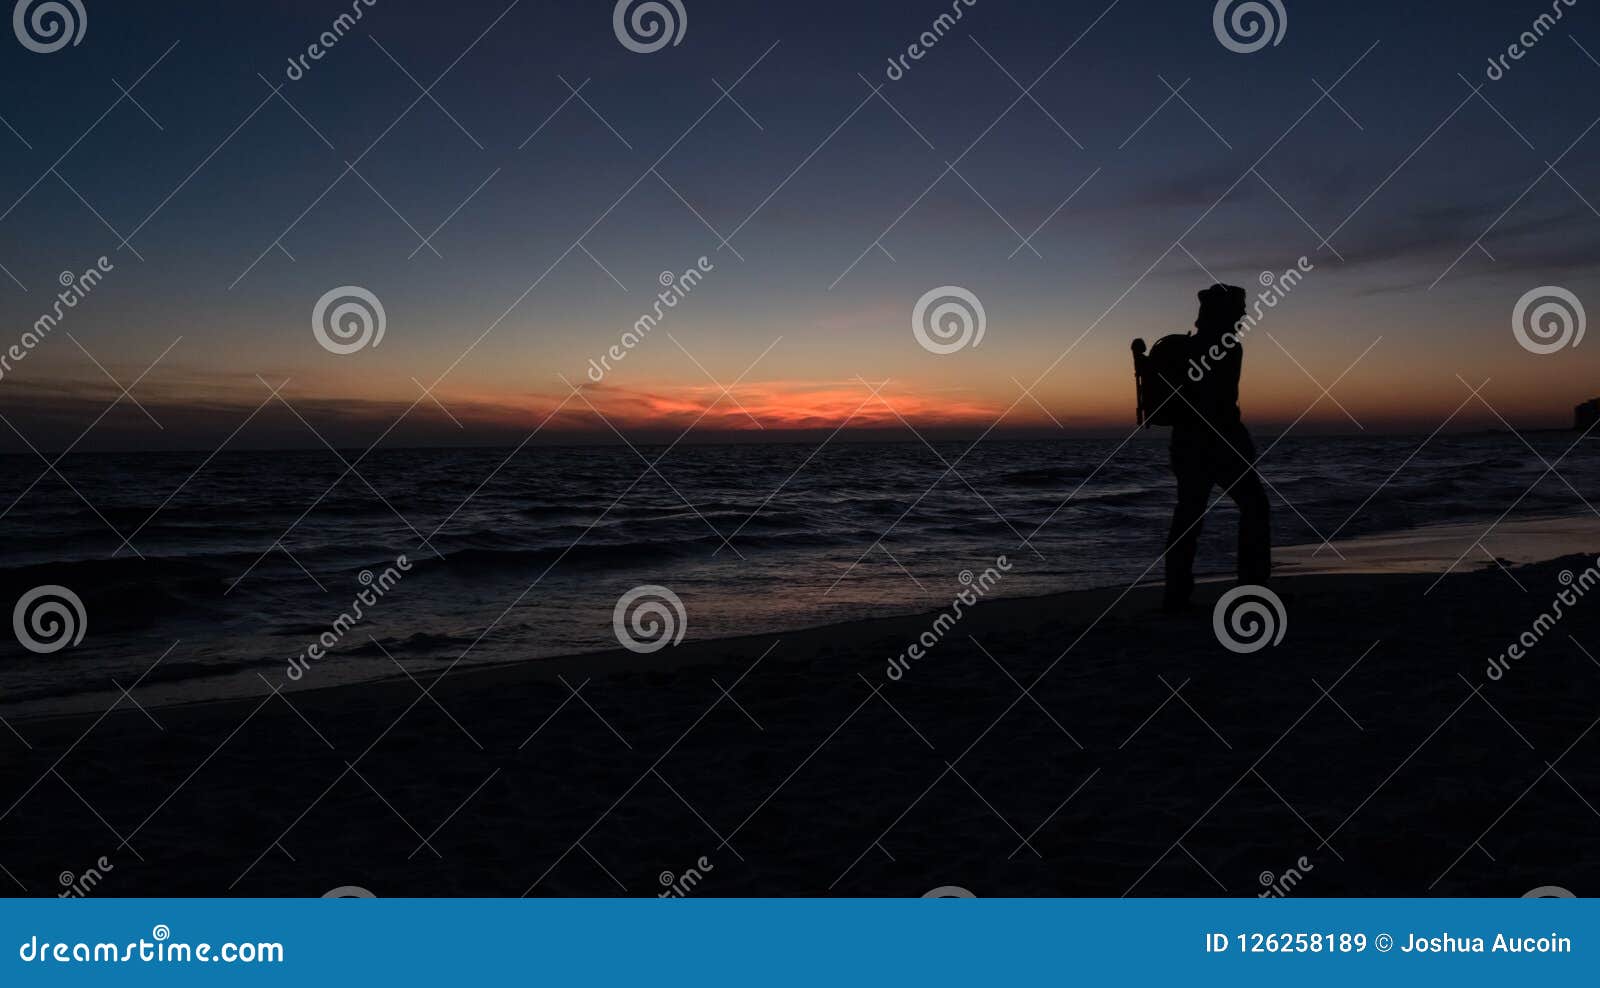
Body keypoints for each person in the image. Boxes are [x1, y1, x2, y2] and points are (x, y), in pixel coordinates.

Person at [1164, 284, 1271, 611]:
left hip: (1185, 443)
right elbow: (1222, 403)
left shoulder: (1185, 348)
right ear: (1224, 314)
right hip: (1219, 443)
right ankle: (1251, 590)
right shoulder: (1229, 348)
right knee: (1255, 508)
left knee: (1188, 517)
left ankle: (1176, 596)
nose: (1243, 316)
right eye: (1239, 310)